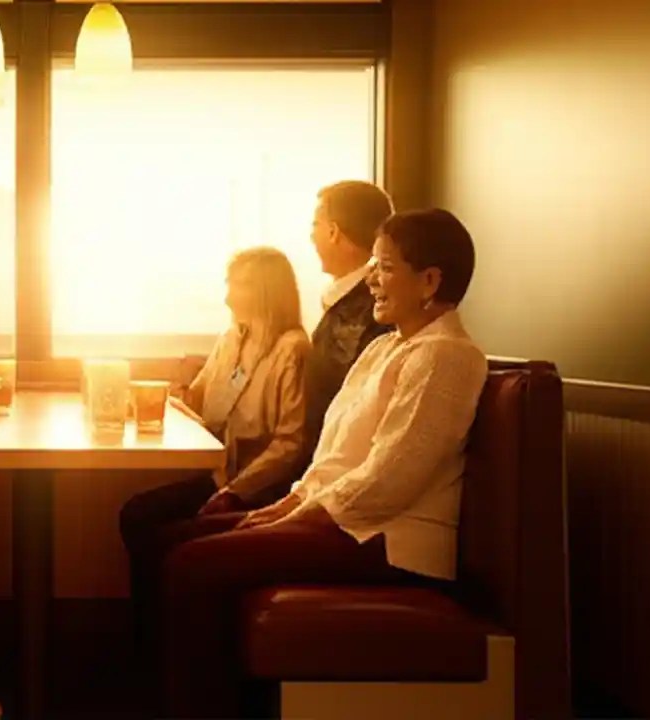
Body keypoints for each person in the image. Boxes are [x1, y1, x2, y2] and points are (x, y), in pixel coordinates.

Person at [156, 208, 490, 718]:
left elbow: (391, 479)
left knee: (191, 563)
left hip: (388, 540)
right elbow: (334, 458)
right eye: (374, 266)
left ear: (430, 280)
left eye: (384, 268)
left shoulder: (446, 355)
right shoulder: (385, 349)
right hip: (347, 523)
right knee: (180, 538)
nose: (372, 280)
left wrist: (296, 515)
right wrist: (289, 503)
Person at [117, 246, 312, 694]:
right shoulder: (233, 339)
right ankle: (150, 644)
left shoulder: (292, 350)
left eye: (236, 285)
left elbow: (291, 443)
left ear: (263, 290)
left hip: (260, 487)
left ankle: (170, 655)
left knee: (164, 533)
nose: (227, 297)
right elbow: (201, 400)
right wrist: (165, 396)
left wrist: (237, 491)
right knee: (136, 514)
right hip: (219, 475)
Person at [306, 180, 395, 450]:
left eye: (315, 225)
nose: (311, 236)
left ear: (333, 232)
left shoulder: (372, 311)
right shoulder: (347, 302)